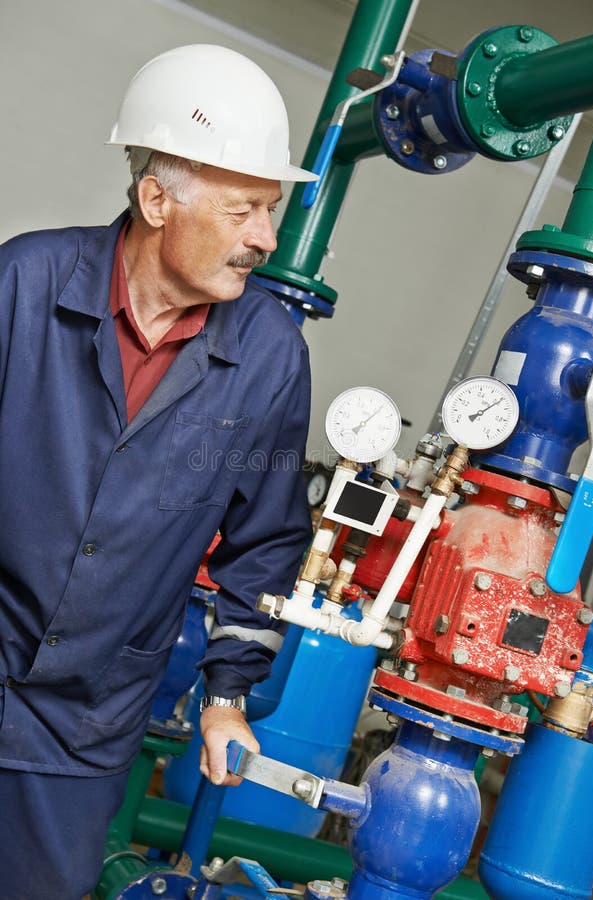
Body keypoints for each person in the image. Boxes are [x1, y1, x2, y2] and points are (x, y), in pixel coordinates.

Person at [0, 44, 317, 899]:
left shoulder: (270, 356)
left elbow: (268, 538)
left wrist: (226, 695)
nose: (267, 237)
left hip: (86, 718)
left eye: (271, 210)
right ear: (155, 199)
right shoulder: (24, 283)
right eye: (247, 207)